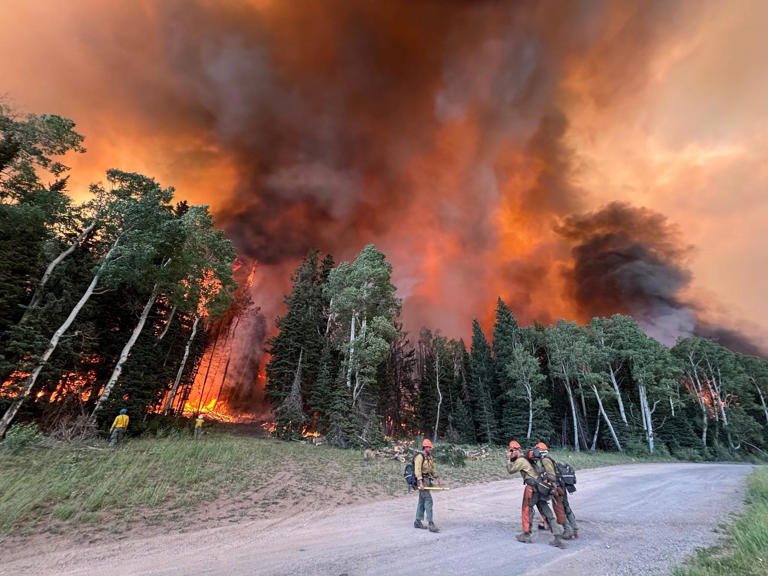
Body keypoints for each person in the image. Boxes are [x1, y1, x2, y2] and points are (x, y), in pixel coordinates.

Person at [506, 440, 565, 548]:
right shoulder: (528, 459)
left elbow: (510, 470)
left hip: (532, 488)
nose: (510, 452)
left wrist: (509, 459)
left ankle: (526, 534)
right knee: (546, 510)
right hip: (541, 487)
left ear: (515, 450)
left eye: (511, 450)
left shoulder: (521, 460)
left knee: (526, 509)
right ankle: (557, 535)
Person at [535, 442, 578, 539]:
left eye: (537, 449)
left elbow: (551, 475)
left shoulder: (545, 460)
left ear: (541, 451)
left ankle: (568, 531)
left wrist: (553, 488)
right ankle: (575, 529)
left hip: (557, 487)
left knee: (559, 509)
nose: (535, 452)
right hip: (561, 485)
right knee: (566, 507)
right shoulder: (548, 459)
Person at [413, 438, 441, 533]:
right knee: (428, 500)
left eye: (431, 447)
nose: (430, 449)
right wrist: (420, 482)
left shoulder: (429, 457)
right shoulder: (419, 457)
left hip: (427, 480)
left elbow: (432, 469)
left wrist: (436, 477)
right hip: (421, 481)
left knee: (422, 501)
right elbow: (417, 470)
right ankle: (430, 523)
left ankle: (417, 521)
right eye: (429, 447)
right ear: (425, 447)